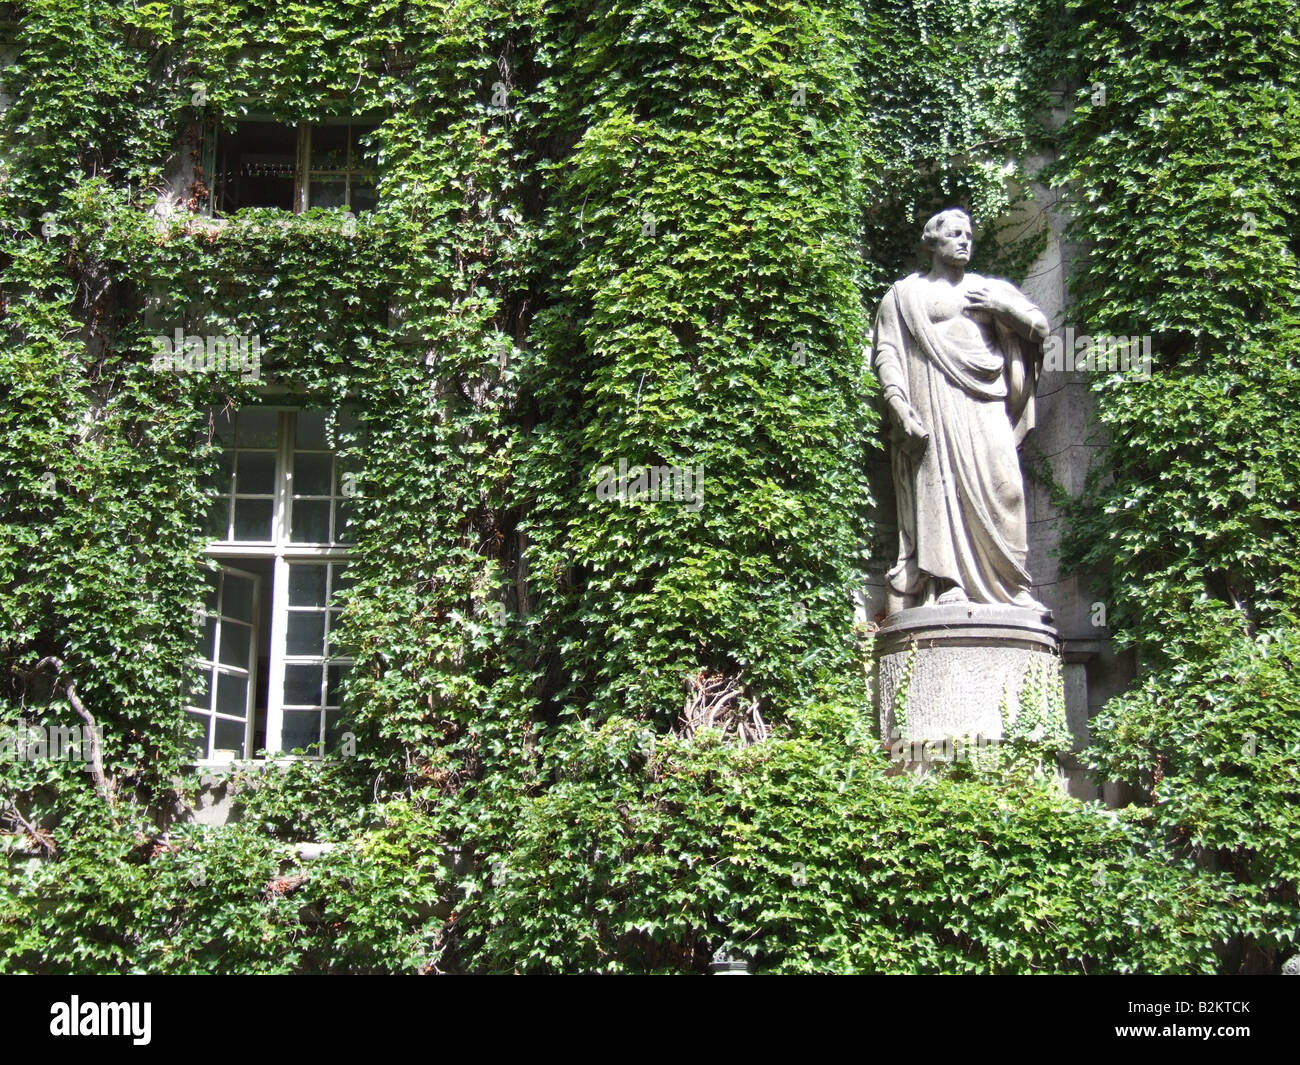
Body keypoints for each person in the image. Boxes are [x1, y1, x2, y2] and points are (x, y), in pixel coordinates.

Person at [871, 208, 1049, 610]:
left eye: (969, 233)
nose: (965, 240)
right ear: (932, 243)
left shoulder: (989, 289)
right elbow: (887, 352)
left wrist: (1006, 311)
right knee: (939, 487)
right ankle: (948, 582)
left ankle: (1013, 585)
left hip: (987, 402)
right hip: (933, 403)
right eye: (954, 234)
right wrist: (898, 403)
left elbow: (1040, 329)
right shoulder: (904, 296)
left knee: (1007, 488)